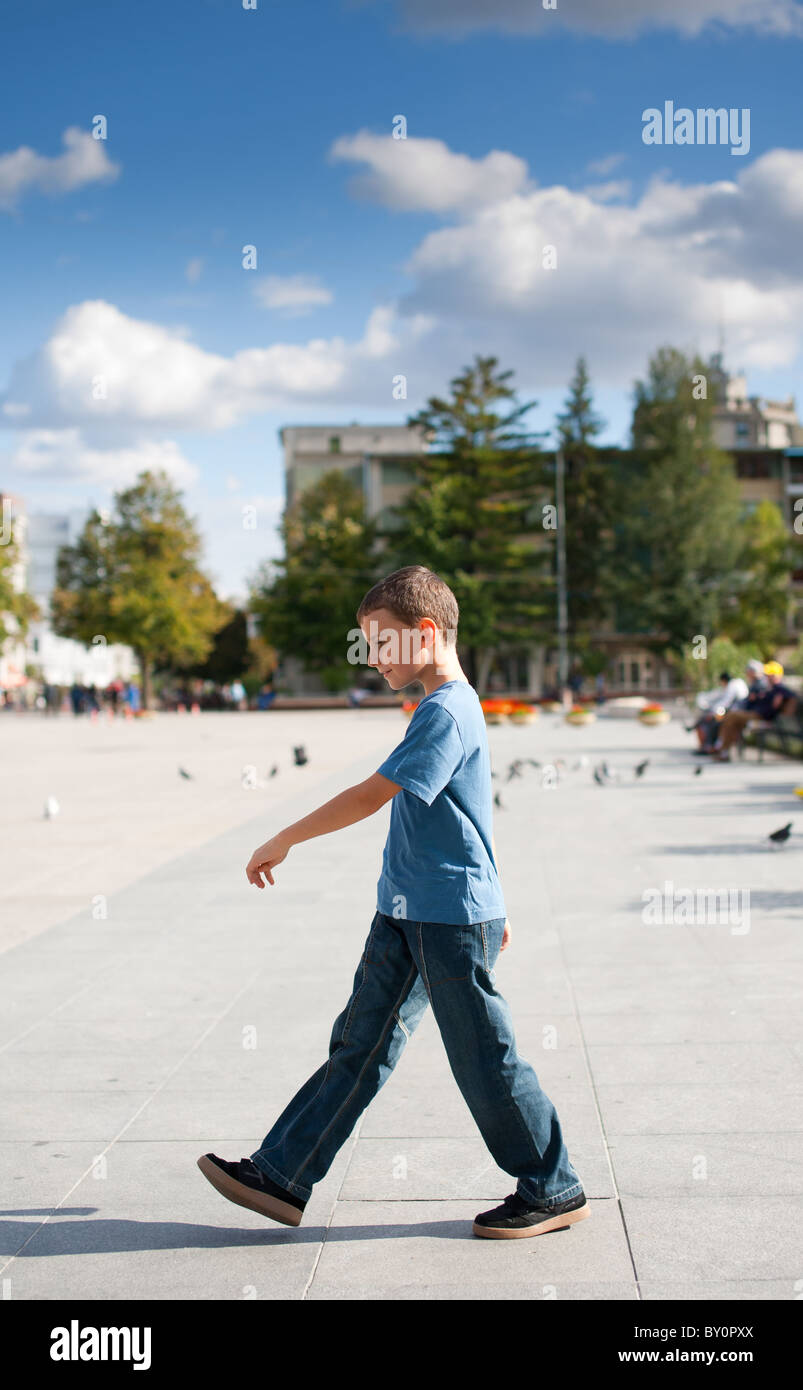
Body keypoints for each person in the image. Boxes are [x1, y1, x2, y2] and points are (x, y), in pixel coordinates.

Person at [197, 565, 589, 1240]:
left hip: (446, 919)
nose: (373, 659)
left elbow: (371, 794)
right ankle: (281, 1175)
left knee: (482, 1055)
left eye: (382, 645)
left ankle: (552, 1187)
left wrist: (285, 837)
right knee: (358, 1046)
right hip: (409, 912)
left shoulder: (446, 710)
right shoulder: (438, 707)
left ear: (426, 635)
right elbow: (467, 819)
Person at [712, 660, 794, 760]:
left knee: (731, 716)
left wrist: (780, 697)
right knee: (730, 720)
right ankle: (722, 750)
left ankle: (722, 749)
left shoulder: (779, 688)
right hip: (756, 714)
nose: (768, 677)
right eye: (767, 674)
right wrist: (758, 697)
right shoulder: (770, 688)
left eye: (770, 675)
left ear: (777, 675)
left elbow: (791, 696)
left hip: (761, 716)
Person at [690, 669, 750, 750]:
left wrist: (713, 711)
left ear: (724, 680)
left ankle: (710, 746)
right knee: (709, 720)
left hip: (734, 713)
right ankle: (708, 744)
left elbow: (726, 702)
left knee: (713, 722)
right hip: (735, 712)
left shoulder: (732, 686)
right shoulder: (736, 684)